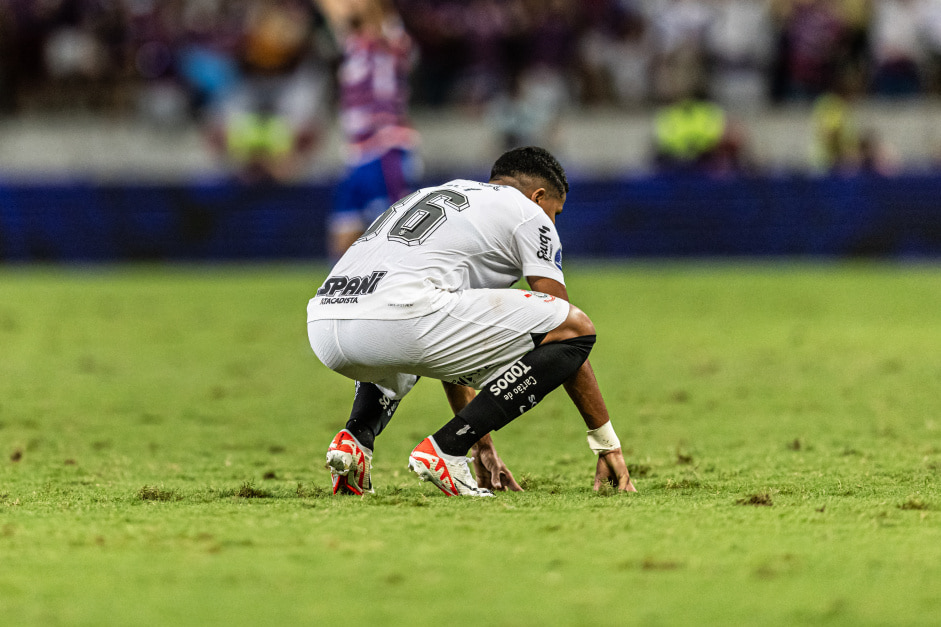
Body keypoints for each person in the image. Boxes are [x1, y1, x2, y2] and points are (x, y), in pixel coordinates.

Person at [307, 146, 636, 497]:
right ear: (539, 196)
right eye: (555, 213)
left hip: (325, 322)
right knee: (575, 328)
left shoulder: (432, 195)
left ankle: (355, 441)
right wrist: (606, 442)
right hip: (399, 316)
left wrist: (482, 445)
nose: (552, 223)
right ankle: (446, 449)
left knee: (410, 322)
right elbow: (562, 329)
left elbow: (457, 345)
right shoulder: (528, 213)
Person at [316, 0, 421, 260]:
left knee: (394, 234)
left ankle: (404, 295)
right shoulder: (354, 43)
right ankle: (341, 298)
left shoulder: (389, 36)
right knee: (343, 235)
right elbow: (332, 9)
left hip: (386, 147)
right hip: (358, 152)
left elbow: (371, 9)